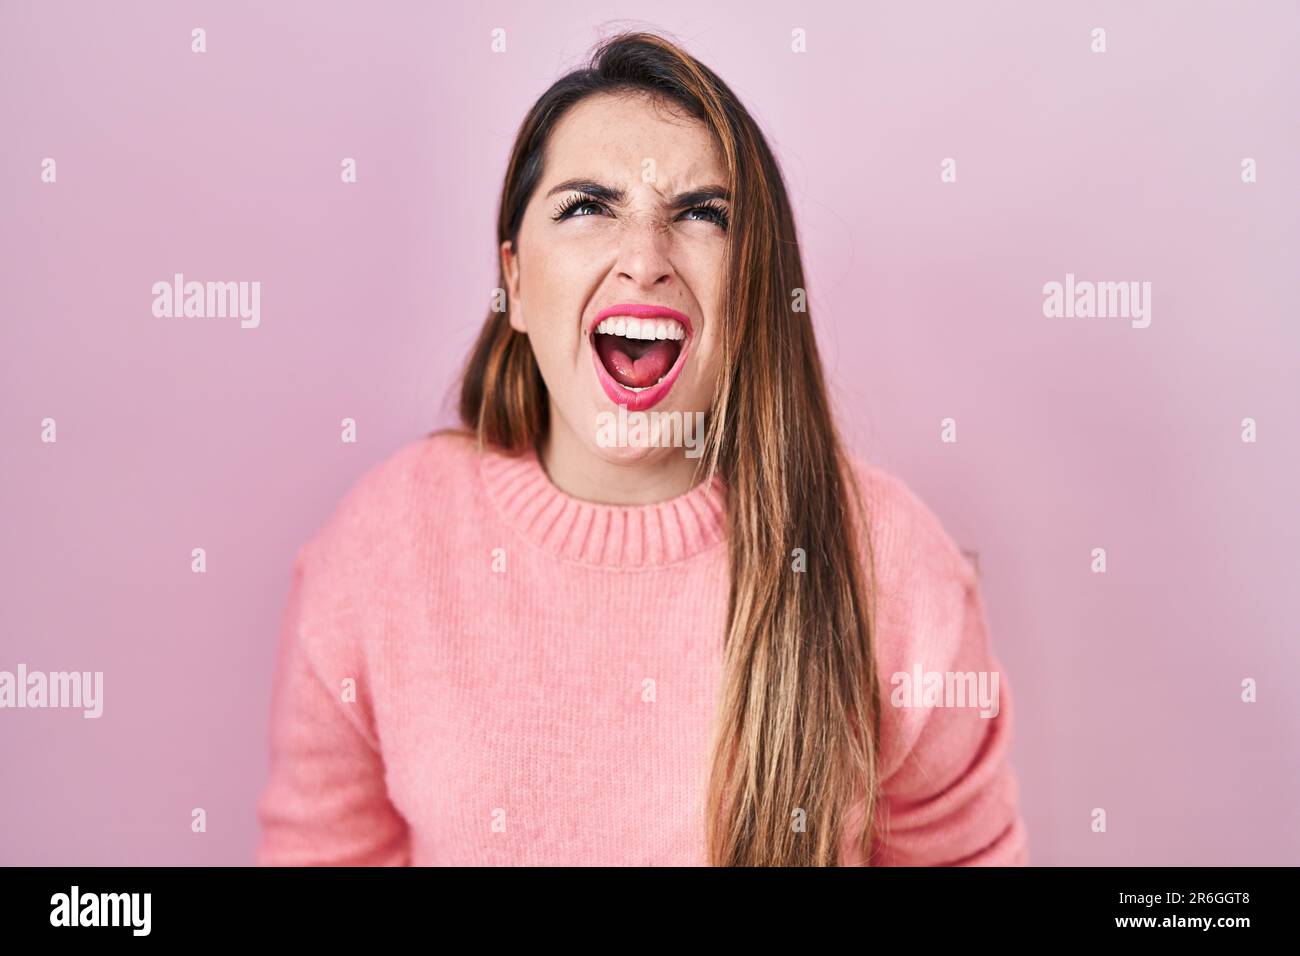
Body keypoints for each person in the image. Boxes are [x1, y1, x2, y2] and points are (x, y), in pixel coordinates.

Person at [255, 30, 1029, 866]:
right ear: (514, 282)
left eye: (701, 214)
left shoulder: (896, 568)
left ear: (755, 290)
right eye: (588, 206)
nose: (644, 260)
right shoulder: (380, 548)